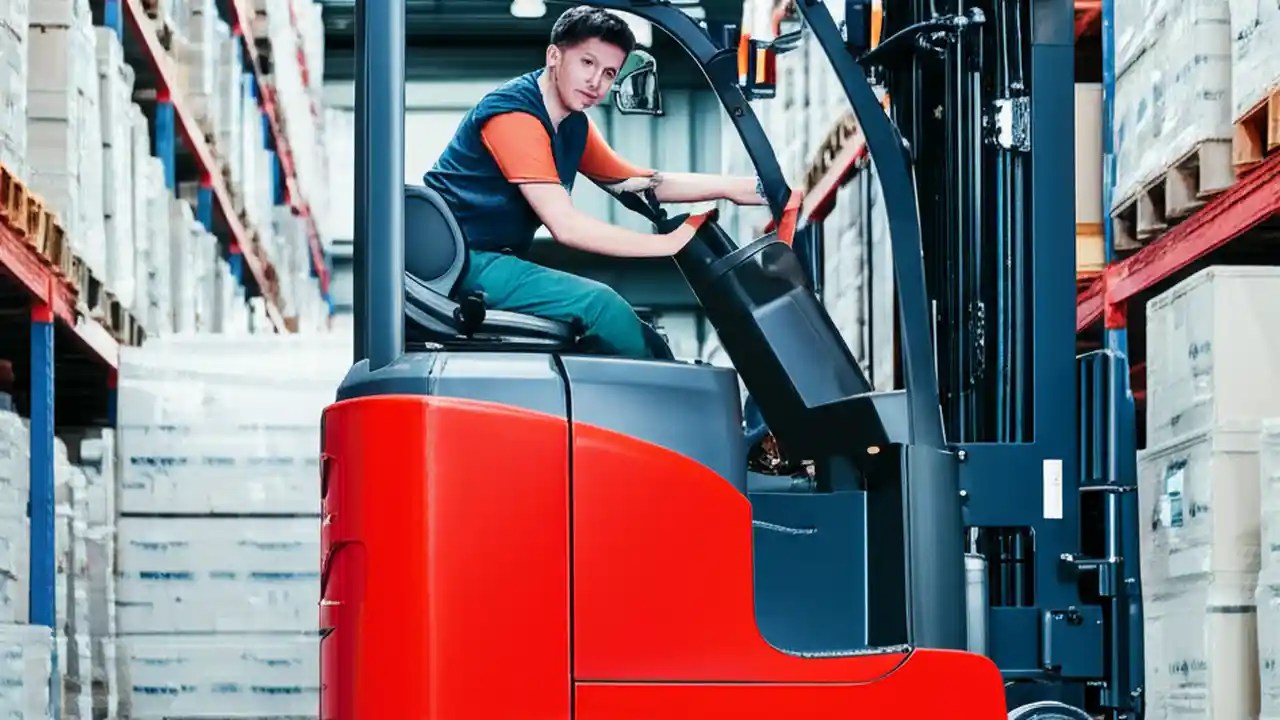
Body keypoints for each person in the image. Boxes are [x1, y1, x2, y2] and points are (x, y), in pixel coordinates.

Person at [422, 6, 800, 358]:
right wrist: (664, 244)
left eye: (608, 74)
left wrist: (741, 189)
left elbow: (640, 182)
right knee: (601, 307)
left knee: (638, 332)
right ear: (554, 56)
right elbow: (565, 226)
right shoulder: (514, 116)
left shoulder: (571, 124)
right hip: (462, 264)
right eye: (587, 63)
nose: (596, 82)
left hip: (490, 261)